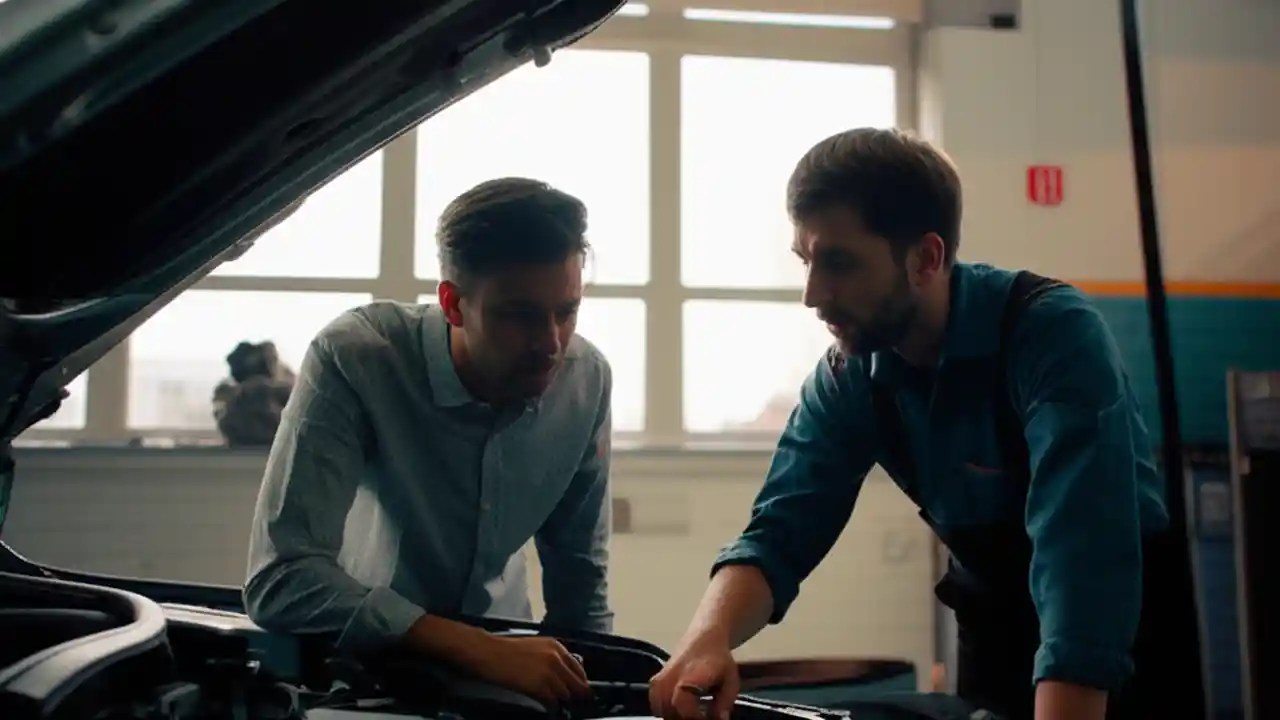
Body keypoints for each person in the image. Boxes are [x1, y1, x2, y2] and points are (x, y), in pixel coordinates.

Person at [648, 128, 1198, 720]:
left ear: (926, 259)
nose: (812, 294)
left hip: (1113, 625)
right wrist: (707, 637)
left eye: (838, 262)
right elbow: (781, 530)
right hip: (995, 622)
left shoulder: (1052, 336)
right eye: (806, 261)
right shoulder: (850, 375)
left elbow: (1081, 553)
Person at [244, 177, 614, 710]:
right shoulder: (357, 356)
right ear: (452, 303)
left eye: (567, 311)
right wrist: (472, 648)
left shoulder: (587, 379)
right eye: (521, 316)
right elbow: (280, 578)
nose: (552, 344)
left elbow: (582, 585)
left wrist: (594, 691)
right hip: (361, 676)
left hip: (507, 680)